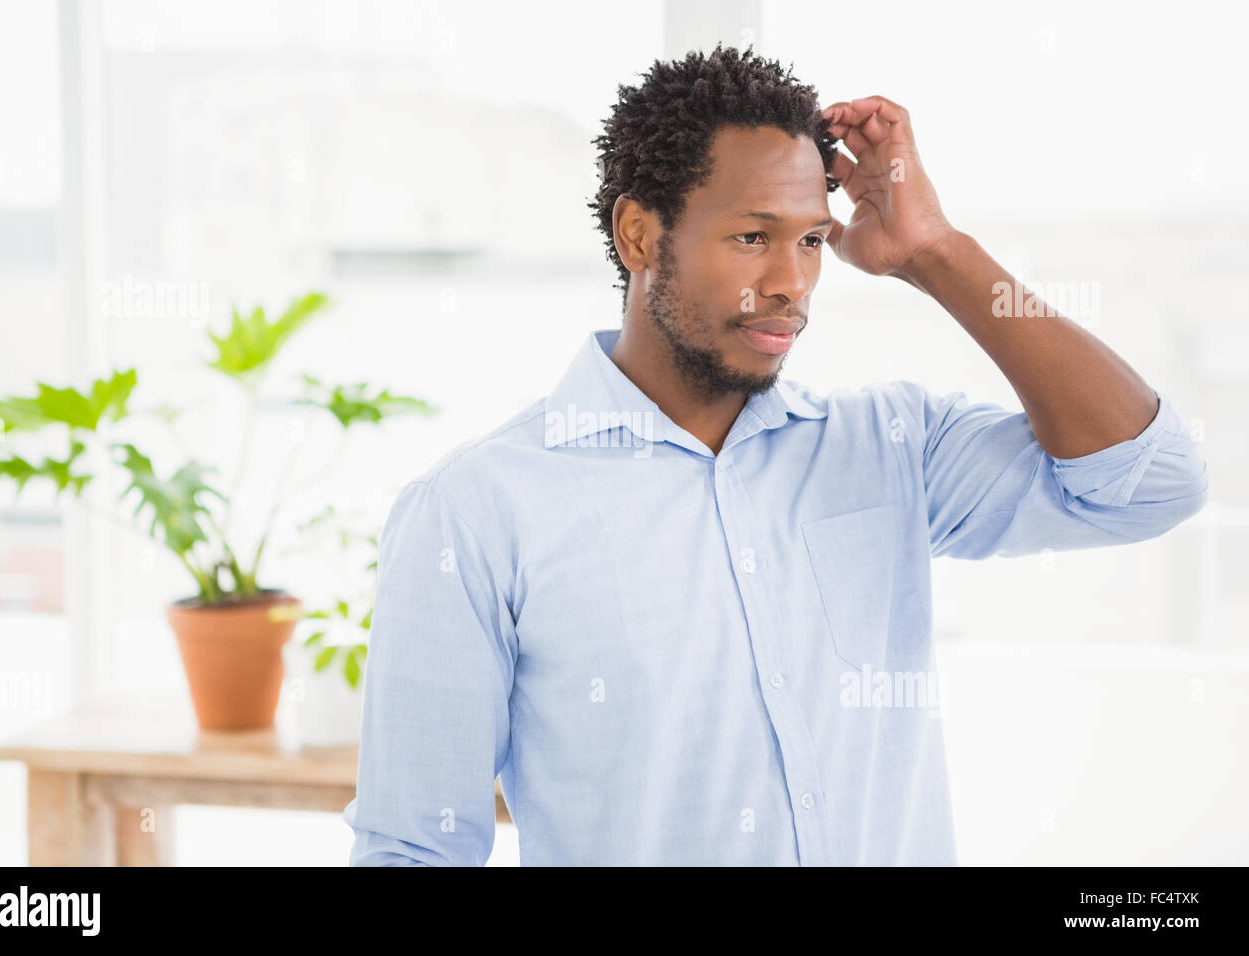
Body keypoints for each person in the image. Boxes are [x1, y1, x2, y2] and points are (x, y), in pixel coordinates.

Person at [343, 45, 1210, 865]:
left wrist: (936, 253)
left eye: (809, 241)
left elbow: (1152, 482)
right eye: (753, 237)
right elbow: (416, 848)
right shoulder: (479, 509)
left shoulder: (894, 450)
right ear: (639, 236)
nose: (792, 283)